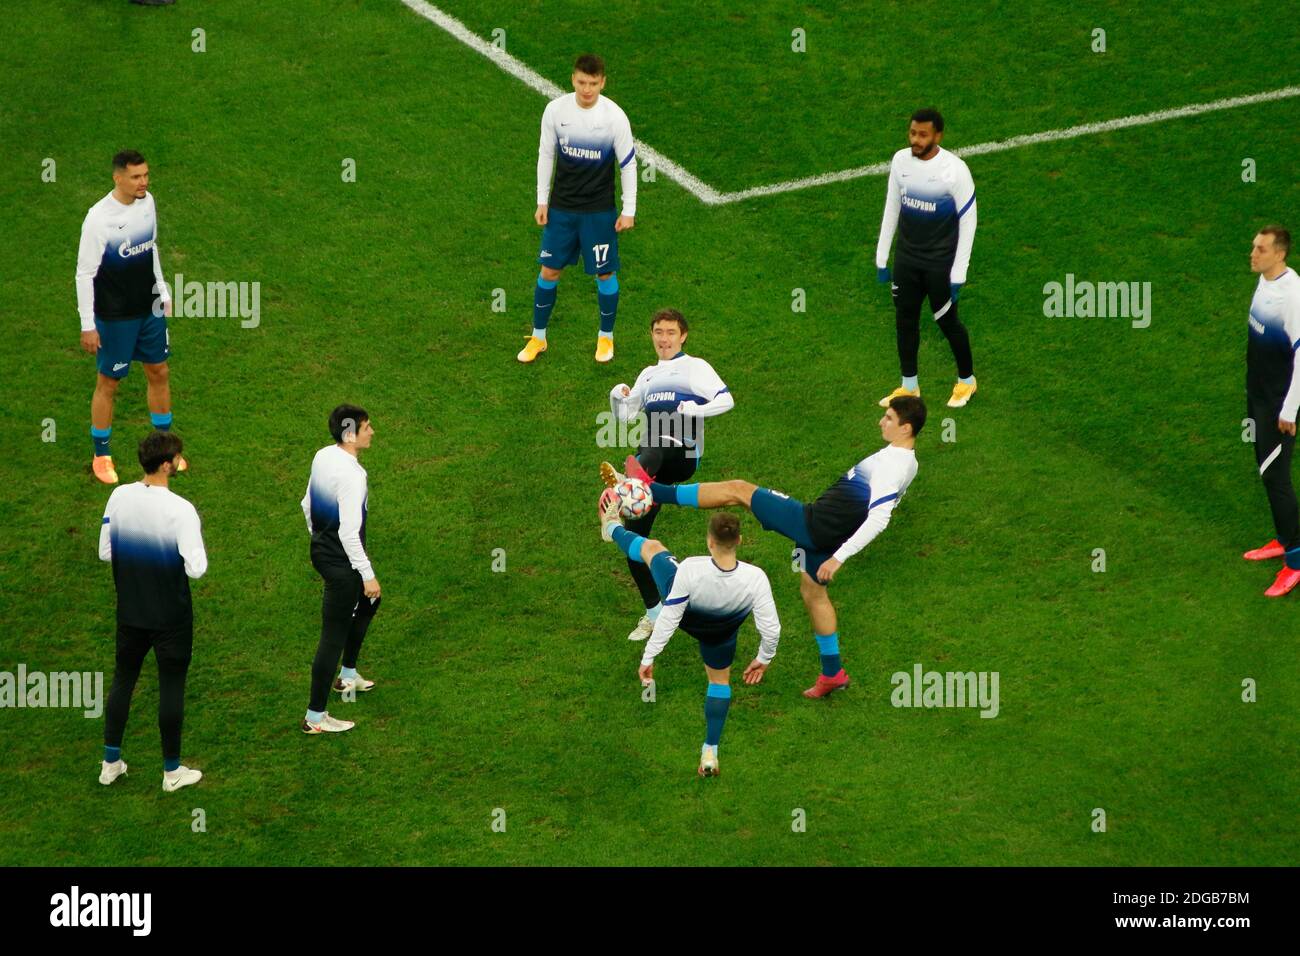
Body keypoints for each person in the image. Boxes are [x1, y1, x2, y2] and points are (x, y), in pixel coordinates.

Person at [611, 395, 924, 699]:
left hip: (813, 523)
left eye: (889, 418)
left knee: (739, 490)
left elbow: (880, 518)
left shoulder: (893, 466)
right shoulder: (908, 461)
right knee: (813, 593)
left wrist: (838, 558)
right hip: (828, 532)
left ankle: (653, 490)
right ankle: (832, 673)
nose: (881, 421)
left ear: (906, 428)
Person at [599, 497, 778, 776]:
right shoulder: (756, 578)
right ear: (739, 540)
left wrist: (649, 656)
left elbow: (670, 616)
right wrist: (763, 658)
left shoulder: (691, 568)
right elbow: (771, 629)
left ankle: (610, 527)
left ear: (709, 541)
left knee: (652, 548)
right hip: (720, 634)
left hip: (686, 617)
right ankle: (710, 752)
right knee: (719, 682)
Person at [605, 308, 733, 640]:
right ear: (652, 335)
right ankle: (654, 614)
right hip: (653, 463)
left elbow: (726, 399)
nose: (664, 338)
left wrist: (697, 409)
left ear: (683, 336)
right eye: (659, 332)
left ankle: (628, 484)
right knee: (635, 540)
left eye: (671, 332)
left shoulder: (696, 367)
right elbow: (625, 415)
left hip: (683, 452)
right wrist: (618, 399)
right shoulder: (647, 375)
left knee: (656, 440)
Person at [98, 431, 206, 792]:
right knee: (171, 687)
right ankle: (172, 773)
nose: (179, 462)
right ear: (165, 464)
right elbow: (196, 568)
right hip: (170, 618)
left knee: (123, 680)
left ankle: (110, 763)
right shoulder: (180, 510)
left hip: (130, 612)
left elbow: (105, 551)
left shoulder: (118, 497)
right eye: (176, 457)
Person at [519, 53, 636, 364]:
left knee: (605, 273)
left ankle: (606, 339)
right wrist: (542, 200)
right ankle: (539, 338)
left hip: (598, 211)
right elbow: (546, 155)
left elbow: (628, 164)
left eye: (593, 84)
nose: (587, 89)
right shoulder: (556, 110)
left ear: (603, 82)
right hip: (562, 208)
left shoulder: (614, 117)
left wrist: (629, 209)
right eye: (582, 82)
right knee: (549, 270)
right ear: (573, 79)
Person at [76, 149, 183, 485]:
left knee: (159, 370)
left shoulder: (147, 202)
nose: (144, 182)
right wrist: (87, 325)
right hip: (116, 316)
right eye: (136, 177)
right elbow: (84, 273)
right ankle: (102, 454)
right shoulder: (98, 219)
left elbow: (151, 247)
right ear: (117, 177)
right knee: (109, 381)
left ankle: (164, 449)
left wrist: (162, 289)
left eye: (146, 175)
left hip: (148, 307)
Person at [875, 109, 978, 409]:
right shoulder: (900, 162)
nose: (915, 140)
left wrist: (958, 273)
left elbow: (968, 221)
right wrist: (882, 256)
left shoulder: (955, 170)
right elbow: (892, 206)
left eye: (922, 135)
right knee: (904, 320)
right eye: (912, 133)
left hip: (939, 263)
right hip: (907, 259)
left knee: (947, 321)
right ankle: (909, 387)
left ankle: (967, 381)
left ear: (938, 136)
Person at [300, 405, 382, 734]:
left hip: (324, 550)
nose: (372, 432)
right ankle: (315, 718)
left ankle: (348, 676)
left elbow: (307, 503)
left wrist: (318, 538)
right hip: (341, 561)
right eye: (367, 427)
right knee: (332, 637)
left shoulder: (323, 455)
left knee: (371, 603)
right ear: (351, 435)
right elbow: (349, 532)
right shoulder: (352, 476)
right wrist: (367, 573)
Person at [1242, 226, 1300, 596]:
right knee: (1267, 471)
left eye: (1261, 249)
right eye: (1253, 247)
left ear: (1279, 254)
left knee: (1276, 477)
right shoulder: (1266, 281)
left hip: (1279, 404)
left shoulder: (1293, 296)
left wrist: (1290, 410)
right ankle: (1284, 538)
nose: (1253, 253)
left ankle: (1295, 561)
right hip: (1259, 396)